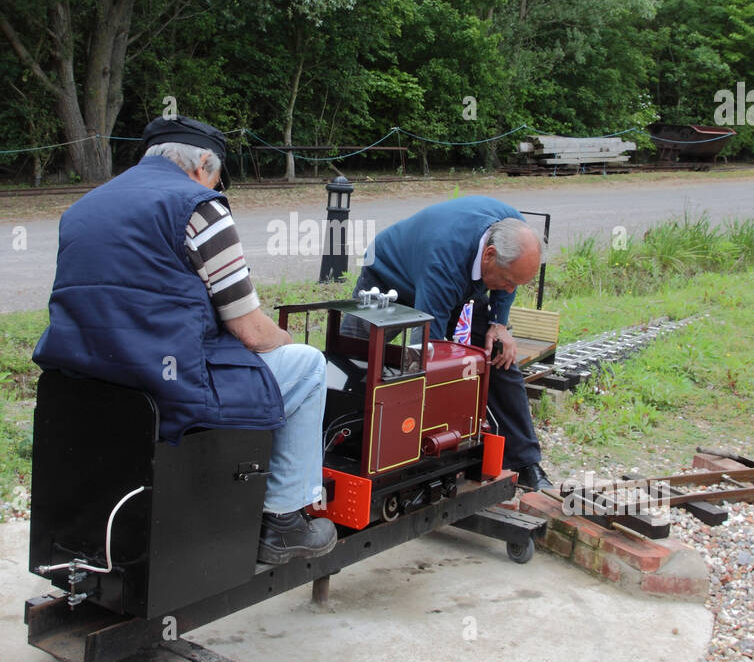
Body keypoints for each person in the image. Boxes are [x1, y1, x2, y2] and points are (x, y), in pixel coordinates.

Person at [33, 115, 337, 564]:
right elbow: (251, 331)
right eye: (217, 179)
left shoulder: (83, 208)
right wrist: (286, 340)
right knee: (306, 365)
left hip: (88, 383)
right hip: (172, 388)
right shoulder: (200, 207)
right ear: (204, 167)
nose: (216, 187)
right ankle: (283, 522)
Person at [350, 196, 551, 491]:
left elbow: (508, 283)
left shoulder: (511, 229)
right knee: (356, 357)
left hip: (464, 279)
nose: (510, 289)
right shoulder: (443, 263)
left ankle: (524, 461)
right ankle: (360, 448)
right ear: (490, 255)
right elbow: (427, 349)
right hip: (390, 275)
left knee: (499, 356)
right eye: (509, 281)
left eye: (516, 284)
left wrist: (499, 323)